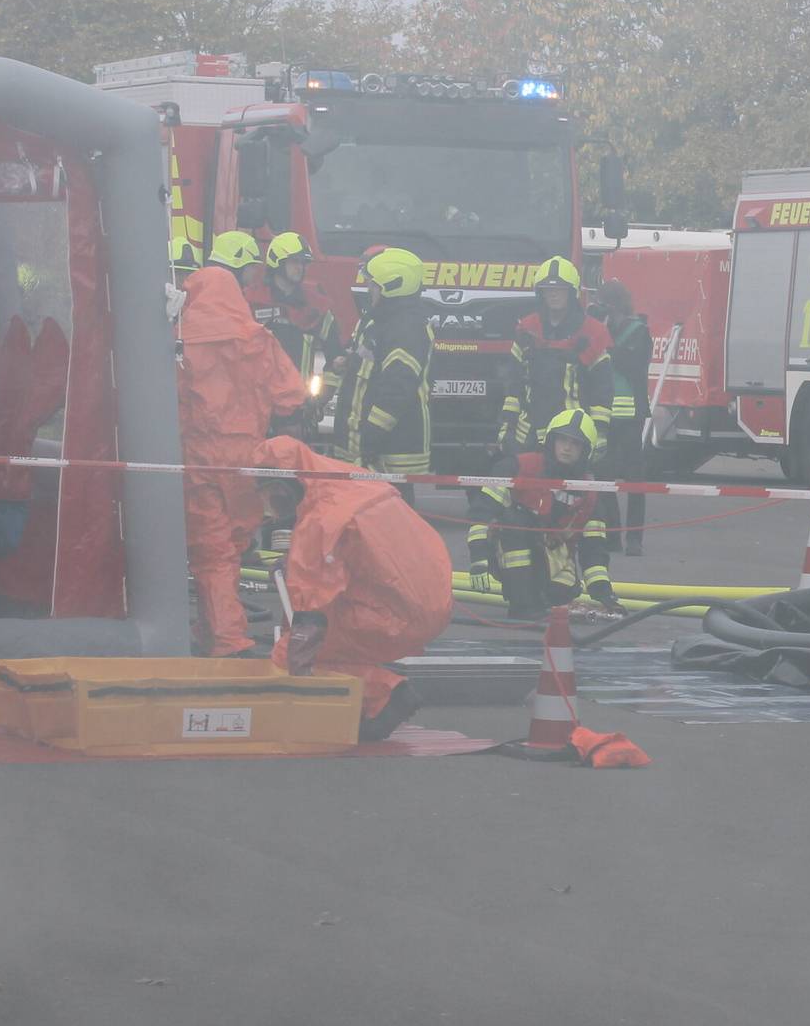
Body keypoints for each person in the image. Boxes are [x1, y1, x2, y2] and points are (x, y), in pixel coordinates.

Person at [252, 436, 455, 742]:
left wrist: (299, 670)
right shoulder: (353, 482)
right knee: (325, 629)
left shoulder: (320, 521)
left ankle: (384, 693)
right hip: (433, 601)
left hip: (396, 618)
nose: (275, 508)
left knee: (290, 649)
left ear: (287, 485)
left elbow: (310, 610)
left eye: (274, 496)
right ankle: (359, 694)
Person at [176, 259, 307, 656]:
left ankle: (226, 636)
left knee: (210, 550)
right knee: (230, 548)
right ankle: (216, 626)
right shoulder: (257, 338)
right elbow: (291, 397)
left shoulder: (177, 338)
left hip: (197, 458)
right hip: (247, 460)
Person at [469, 407, 618, 616]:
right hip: (511, 546)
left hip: (553, 555)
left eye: (575, 443)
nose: (567, 448)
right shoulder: (518, 467)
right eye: (563, 440)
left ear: (586, 451)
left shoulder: (589, 495)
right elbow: (481, 512)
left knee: (561, 591)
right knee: (514, 521)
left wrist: (604, 594)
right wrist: (478, 559)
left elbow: (594, 549)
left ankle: (542, 601)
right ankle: (521, 601)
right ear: (551, 441)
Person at [336, 246, 439, 490]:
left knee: (391, 520)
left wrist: (371, 438)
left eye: (373, 285)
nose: (369, 290)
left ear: (391, 287)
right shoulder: (383, 321)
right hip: (379, 447)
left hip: (391, 450)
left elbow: (396, 390)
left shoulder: (405, 330)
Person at [499, 257, 614, 456]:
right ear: (540, 293)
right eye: (548, 289)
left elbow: (602, 388)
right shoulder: (527, 330)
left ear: (572, 292)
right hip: (528, 432)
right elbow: (513, 383)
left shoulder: (592, 333)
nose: (553, 294)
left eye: (560, 289)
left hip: (572, 434)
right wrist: (507, 426)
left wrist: (600, 431)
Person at [595, 277, 654, 556]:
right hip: (604, 414)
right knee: (603, 477)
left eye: (609, 308)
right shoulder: (599, 333)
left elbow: (632, 365)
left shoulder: (638, 331)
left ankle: (634, 538)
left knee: (635, 478)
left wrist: (606, 338)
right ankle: (612, 535)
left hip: (631, 415)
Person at [256, 231, 335, 411]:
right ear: (277, 261)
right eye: (294, 262)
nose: (300, 268)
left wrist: (320, 399)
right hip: (259, 405)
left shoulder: (316, 307)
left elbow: (336, 359)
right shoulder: (254, 302)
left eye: (302, 263)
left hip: (298, 407)